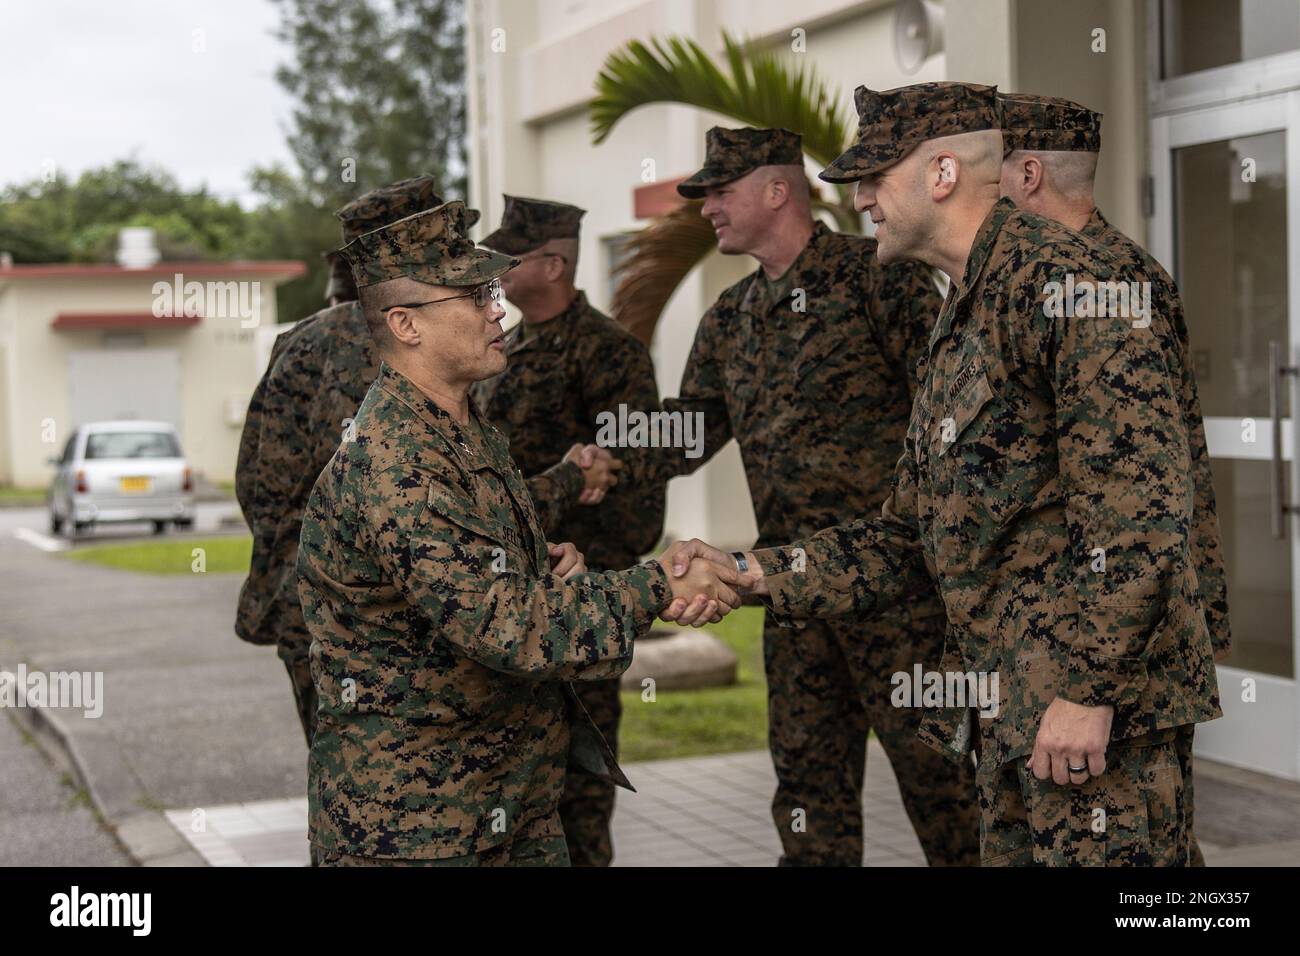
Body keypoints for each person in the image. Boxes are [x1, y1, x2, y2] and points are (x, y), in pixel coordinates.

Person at [665, 83, 1221, 866]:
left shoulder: (1075, 287)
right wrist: (752, 570)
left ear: (943, 174)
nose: (858, 199)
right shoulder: (965, 312)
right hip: (1011, 711)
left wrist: (1090, 691)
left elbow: (1141, 516)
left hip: (1091, 722)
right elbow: (905, 535)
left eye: (873, 178)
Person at [299, 200, 751, 865]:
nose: (496, 309)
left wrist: (542, 564)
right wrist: (656, 584)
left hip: (504, 798)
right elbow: (505, 623)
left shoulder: (459, 428)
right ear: (406, 324)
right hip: (419, 825)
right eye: (473, 295)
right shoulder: (396, 461)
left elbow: (483, 568)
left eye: (492, 290)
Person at [620, 126, 979, 866]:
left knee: (950, 800)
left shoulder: (880, 278)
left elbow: (950, 423)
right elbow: (689, 434)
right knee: (809, 807)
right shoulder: (730, 316)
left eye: (720, 191)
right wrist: (601, 457)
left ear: (776, 189)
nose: (708, 208)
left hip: (903, 603)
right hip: (793, 604)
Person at [235, 176, 618, 747]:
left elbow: (255, 487)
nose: (492, 307)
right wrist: (569, 481)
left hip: (315, 613)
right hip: (414, 640)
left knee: (348, 760)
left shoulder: (300, 342)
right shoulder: (426, 350)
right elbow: (445, 505)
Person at [997, 91, 1232, 865]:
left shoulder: (1099, 282)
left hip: (1129, 650)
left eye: (989, 170)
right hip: (1120, 637)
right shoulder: (1103, 273)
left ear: (1028, 173)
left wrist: (1095, 678)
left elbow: (1141, 494)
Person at [474, 195, 665, 866]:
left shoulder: (610, 352)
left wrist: (589, 566)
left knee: (579, 781)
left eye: (511, 257)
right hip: (499, 600)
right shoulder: (503, 349)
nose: (495, 271)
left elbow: (634, 485)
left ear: (554, 264)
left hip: (577, 600)